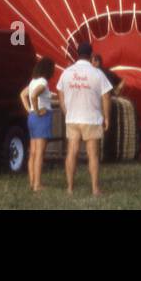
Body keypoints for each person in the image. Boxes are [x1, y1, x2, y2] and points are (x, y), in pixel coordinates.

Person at [56, 42, 113, 196]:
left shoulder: (66, 73)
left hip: (73, 118)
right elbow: (106, 96)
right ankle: (95, 188)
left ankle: (69, 188)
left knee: (71, 152)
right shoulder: (97, 73)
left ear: (77, 54)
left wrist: (66, 110)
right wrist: (107, 117)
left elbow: (60, 93)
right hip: (91, 118)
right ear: (91, 55)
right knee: (92, 155)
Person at [19, 57, 56, 191]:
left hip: (32, 118)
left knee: (33, 152)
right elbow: (34, 95)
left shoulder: (33, 81)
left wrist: (30, 110)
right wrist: (37, 109)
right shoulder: (43, 82)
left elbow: (23, 94)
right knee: (40, 153)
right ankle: (37, 184)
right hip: (42, 117)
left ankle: (32, 181)